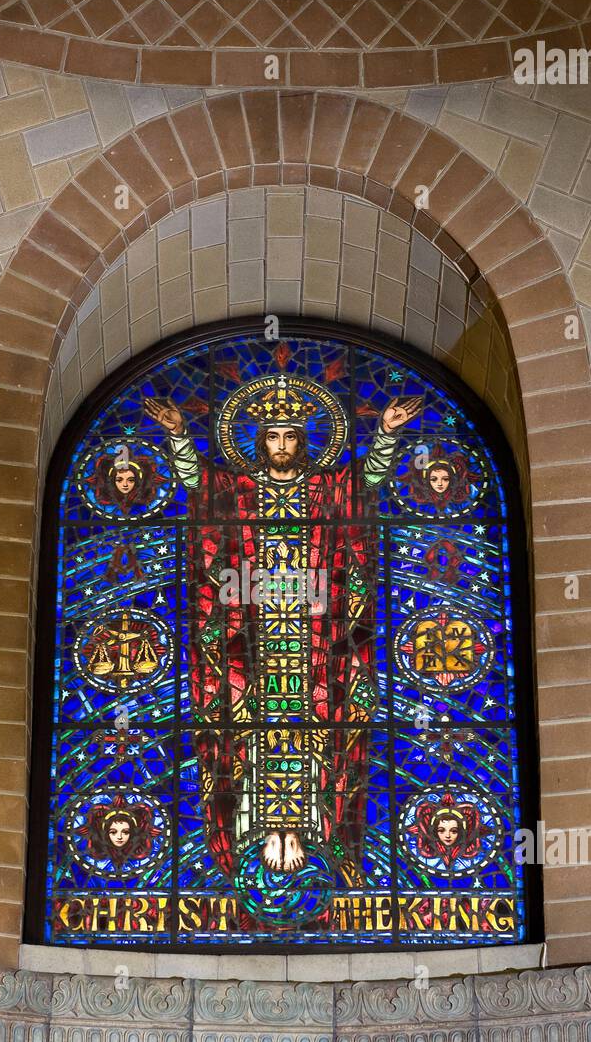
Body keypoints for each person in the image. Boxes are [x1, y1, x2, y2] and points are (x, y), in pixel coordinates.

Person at [145, 374, 420, 883]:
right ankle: (264, 832)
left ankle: (308, 833)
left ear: (303, 441)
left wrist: (384, 432)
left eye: (291, 436)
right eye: (272, 436)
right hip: (252, 631)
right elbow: (200, 485)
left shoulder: (324, 488)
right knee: (251, 733)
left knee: (318, 727)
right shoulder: (240, 490)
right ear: (259, 441)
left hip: (314, 632)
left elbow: (363, 484)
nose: (281, 446)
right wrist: (180, 435)